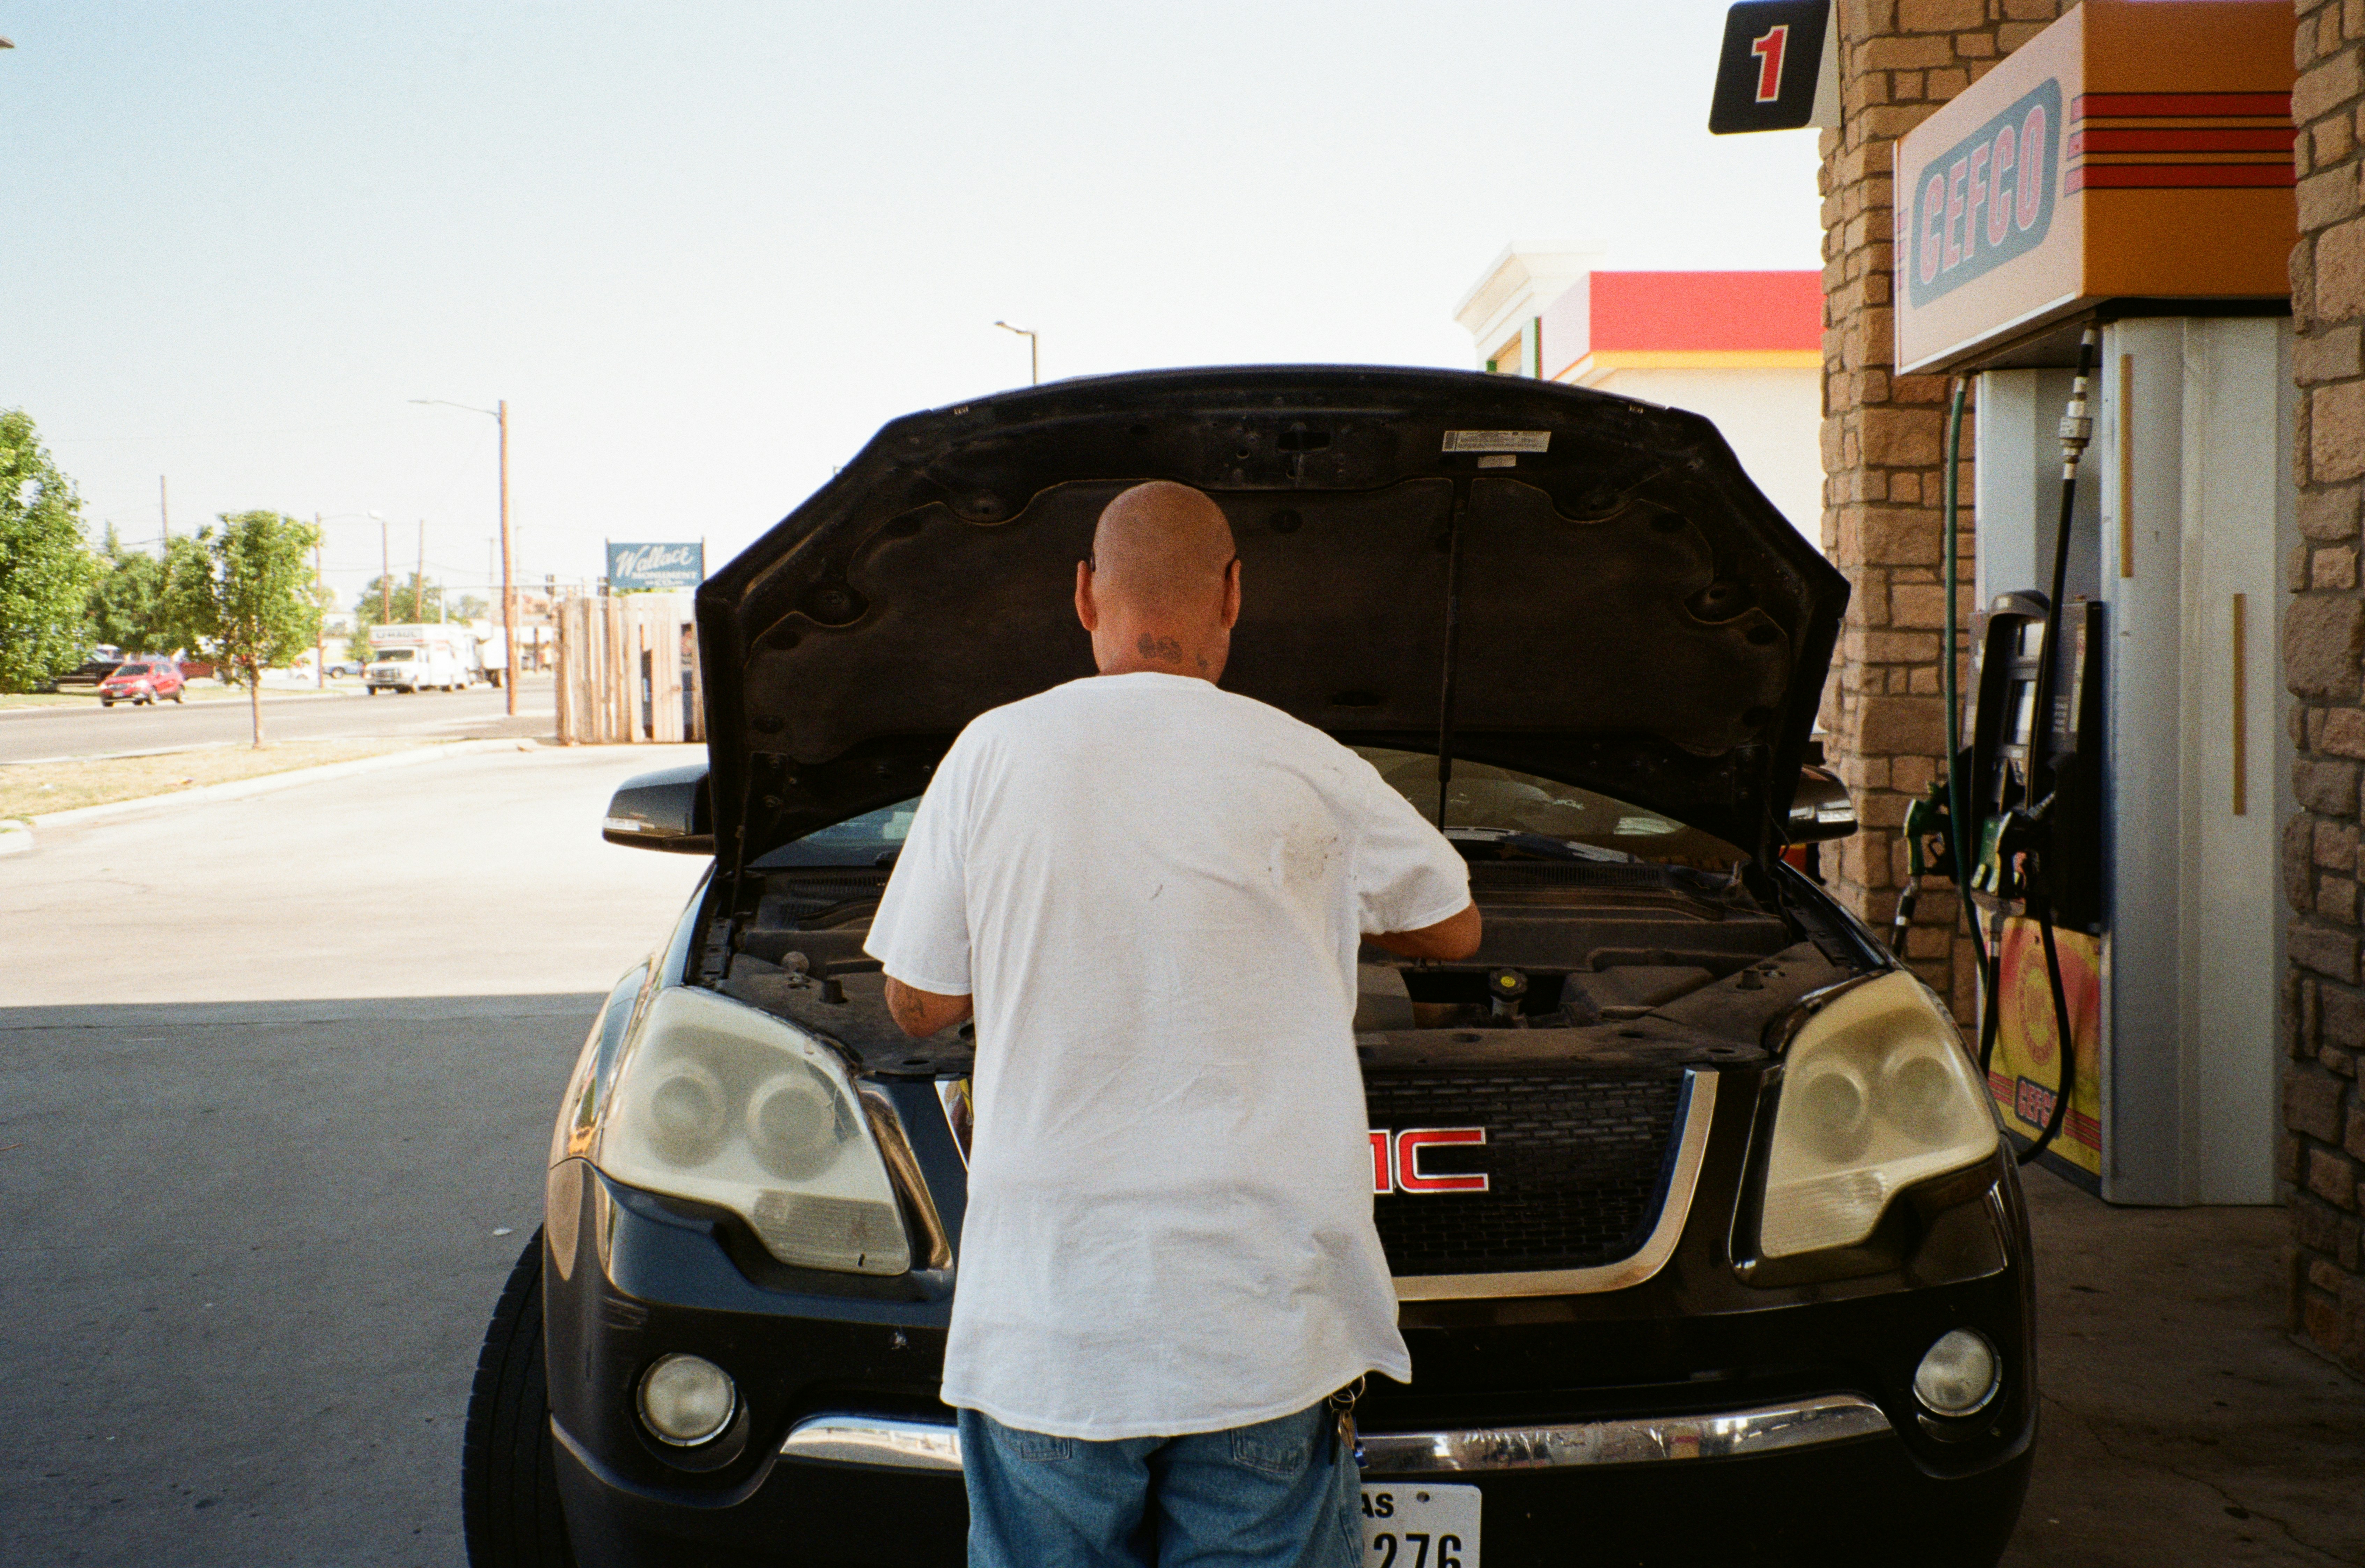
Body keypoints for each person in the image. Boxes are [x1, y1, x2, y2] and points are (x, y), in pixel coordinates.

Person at [864, 480, 1482, 1568]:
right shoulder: (1307, 761)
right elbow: (1454, 927)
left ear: (1084, 594)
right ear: (1235, 595)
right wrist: (1310, 901)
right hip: (1258, 1324)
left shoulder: (993, 754)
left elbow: (918, 1004)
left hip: (1055, 1323)